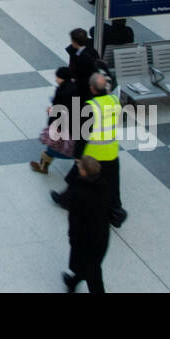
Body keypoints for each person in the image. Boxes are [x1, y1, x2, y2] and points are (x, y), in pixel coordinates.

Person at [53, 72, 126, 227]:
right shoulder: (114, 100)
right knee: (113, 184)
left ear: (92, 89)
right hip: (111, 151)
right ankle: (116, 212)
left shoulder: (91, 107)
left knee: (78, 178)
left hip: (93, 153)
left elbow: (83, 135)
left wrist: (77, 156)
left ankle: (65, 200)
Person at [62, 156, 111, 293]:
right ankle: (73, 281)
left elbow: (74, 219)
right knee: (91, 266)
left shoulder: (78, 191)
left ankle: (74, 282)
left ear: (84, 172)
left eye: (80, 167)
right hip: (102, 235)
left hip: (85, 239)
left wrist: (72, 238)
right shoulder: (104, 185)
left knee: (93, 275)